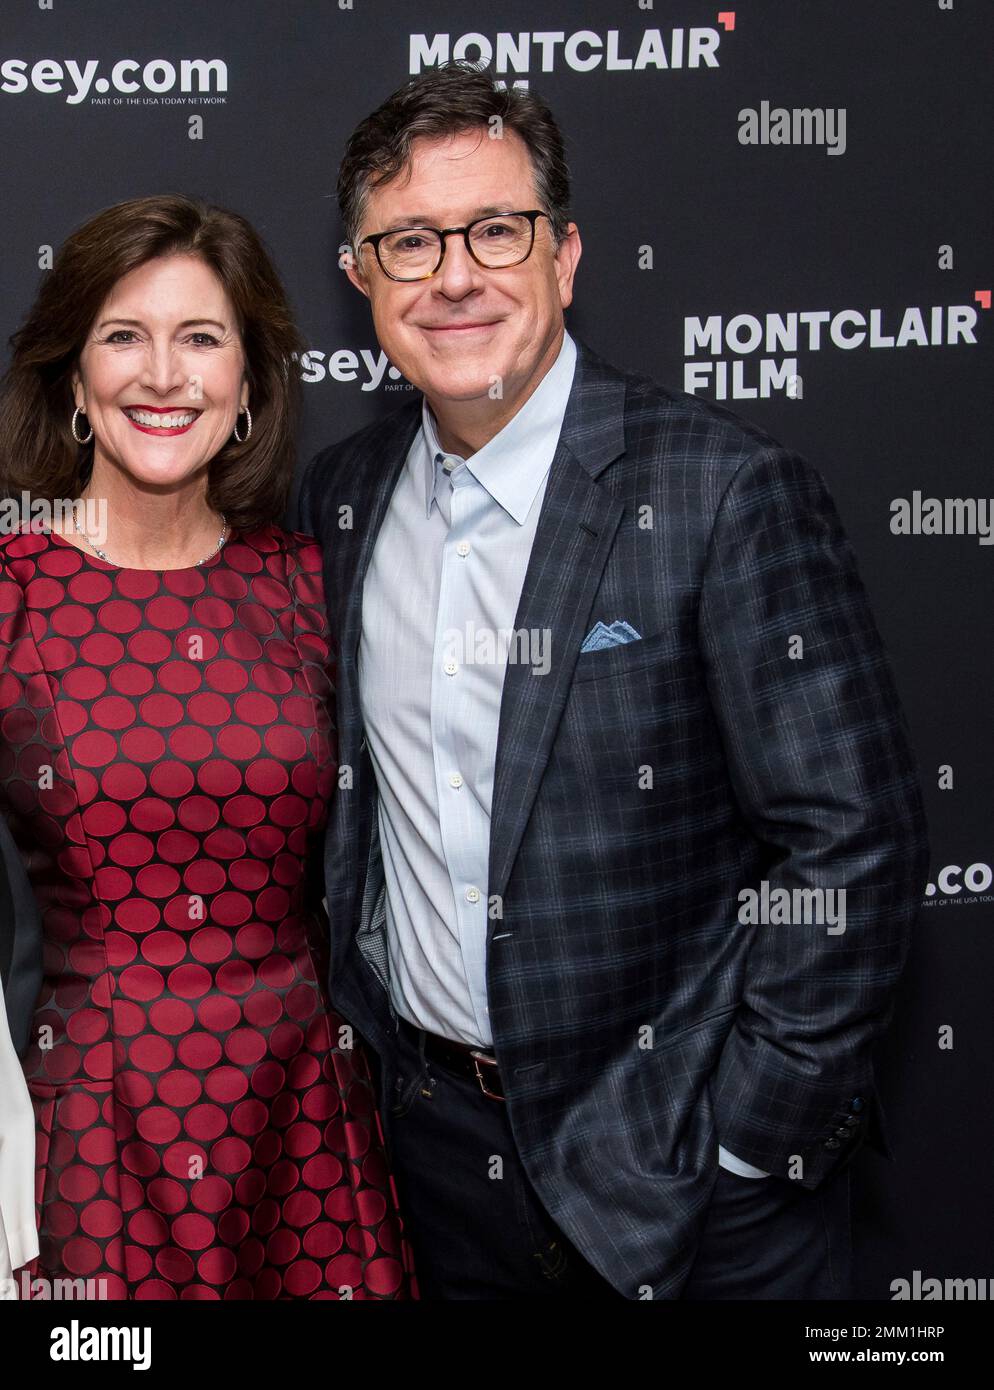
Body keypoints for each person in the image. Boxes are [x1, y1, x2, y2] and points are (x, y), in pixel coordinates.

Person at [294, 62, 930, 1300]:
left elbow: (856, 844)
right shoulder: (346, 501)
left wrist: (751, 1138)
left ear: (566, 258)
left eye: (497, 228)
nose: (458, 274)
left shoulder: (719, 491)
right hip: (434, 1163)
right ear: (362, 278)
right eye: (409, 242)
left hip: (691, 1180)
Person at [0, 195, 411, 1299]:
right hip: (93, 1124)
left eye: (201, 339)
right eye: (123, 336)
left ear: (248, 380)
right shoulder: (11, 594)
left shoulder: (305, 582)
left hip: (301, 1113)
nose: (163, 375)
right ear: (74, 376)